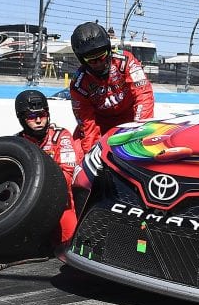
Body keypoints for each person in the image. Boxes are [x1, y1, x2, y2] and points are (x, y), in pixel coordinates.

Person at [69, 21, 154, 153]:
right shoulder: (78, 85)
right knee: (79, 151)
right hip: (101, 125)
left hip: (131, 121)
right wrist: (93, 153)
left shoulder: (126, 62)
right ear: (81, 59)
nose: (98, 63)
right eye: (91, 59)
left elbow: (144, 96)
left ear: (109, 49)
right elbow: (87, 125)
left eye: (102, 56)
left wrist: (138, 131)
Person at [14, 89, 83, 246]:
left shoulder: (61, 136)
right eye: (31, 117)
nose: (38, 120)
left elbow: (68, 174)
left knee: (69, 240)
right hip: (27, 206)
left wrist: (39, 192)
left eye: (42, 115)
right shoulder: (17, 142)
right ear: (22, 118)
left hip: (60, 203)